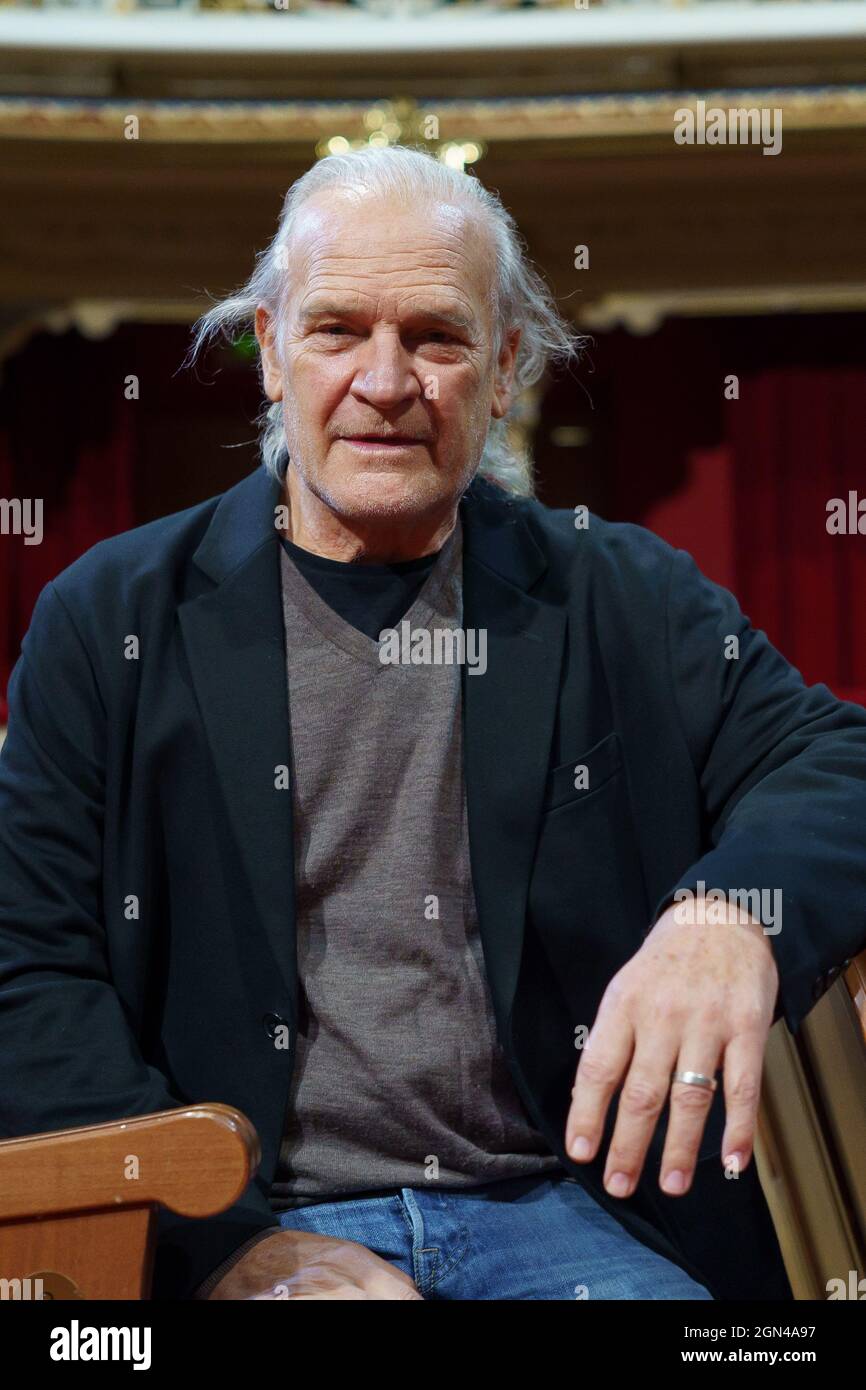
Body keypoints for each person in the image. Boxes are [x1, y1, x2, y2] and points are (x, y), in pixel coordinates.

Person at [1, 145, 864, 1301]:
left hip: (563, 1214)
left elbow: (838, 760)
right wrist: (225, 1250)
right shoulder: (108, 617)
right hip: (234, 1222)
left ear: (505, 367)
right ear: (267, 352)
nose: (385, 378)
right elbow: (29, 967)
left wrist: (725, 915)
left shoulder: (615, 592)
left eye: (437, 338)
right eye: (336, 330)